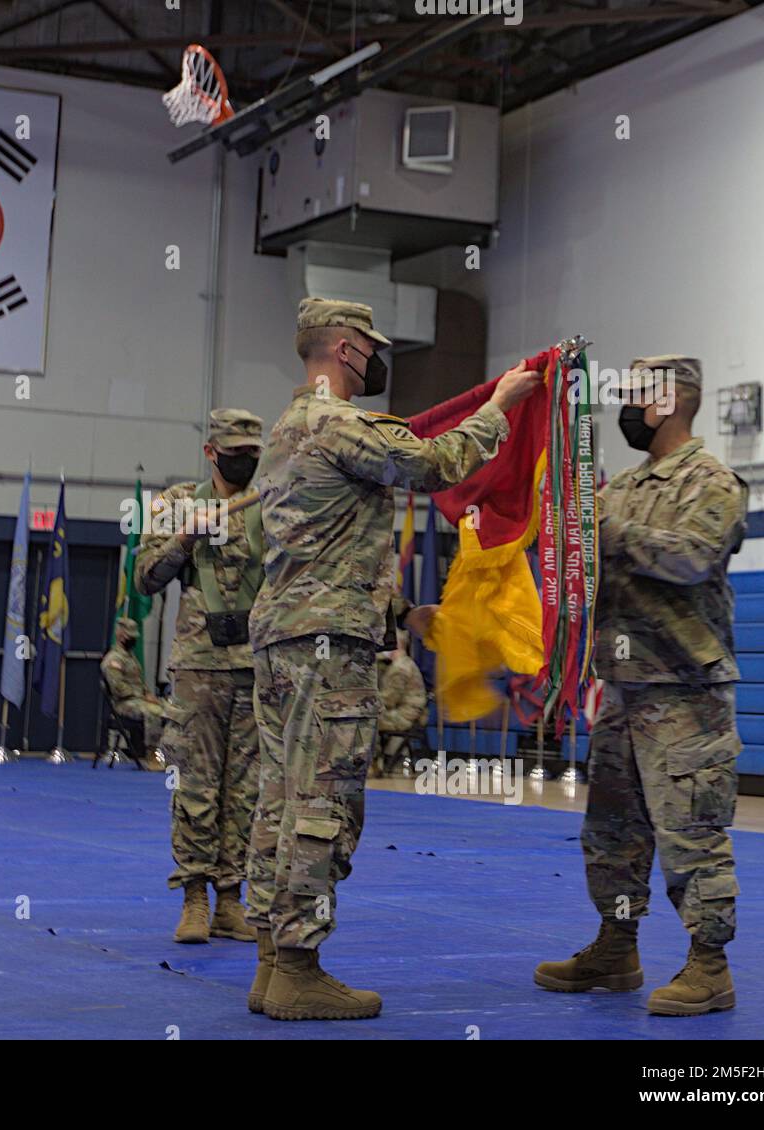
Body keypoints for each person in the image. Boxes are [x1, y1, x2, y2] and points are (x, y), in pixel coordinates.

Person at [245, 297, 541, 1021]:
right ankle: (300, 965)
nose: (379, 358)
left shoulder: (287, 427)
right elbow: (436, 463)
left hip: (286, 636)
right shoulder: (338, 422)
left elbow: (321, 542)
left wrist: (405, 613)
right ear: (345, 349)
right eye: (373, 346)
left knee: (281, 796)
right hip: (328, 645)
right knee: (325, 798)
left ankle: (270, 961)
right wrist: (501, 404)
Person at [535, 355, 748, 1016]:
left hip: (686, 693)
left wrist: (611, 532)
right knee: (612, 833)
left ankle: (709, 965)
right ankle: (616, 945)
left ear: (666, 403)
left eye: (631, 397)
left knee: (692, 831)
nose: (623, 408)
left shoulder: (713, 481)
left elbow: (691, 557)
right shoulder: (621, 488)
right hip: (624, 689)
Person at [136, 409, 266, 944]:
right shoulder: (176, 503)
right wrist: (185, 539)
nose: (244, 462)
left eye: (252, 454)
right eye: (234, 452)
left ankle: (231, 899)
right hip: (199, 667)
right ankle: (193, 896)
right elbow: (145, 578)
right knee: (195, 784)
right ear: (211, 452)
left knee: (246, 791)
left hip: (257, 665)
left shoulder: (271, 504)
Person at [101, 616, 165, 769]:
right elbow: (119, 688)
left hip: (137, 700)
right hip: (123, 704)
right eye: (130, 636)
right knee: (154, 712)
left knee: (170, 710)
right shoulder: (113, 659)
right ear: (121, 636)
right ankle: (152, 755)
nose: (133, 639)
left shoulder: (131, 657)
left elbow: (139, 683)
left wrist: (149, 695)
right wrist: (143, 697)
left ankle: (169, 754)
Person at [373, 632, 428, 776]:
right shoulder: (405, 663)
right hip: (411, 713)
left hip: (405, 715)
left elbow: (389, 700)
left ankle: (373, 765)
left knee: (369, 722)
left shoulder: (399, 669)